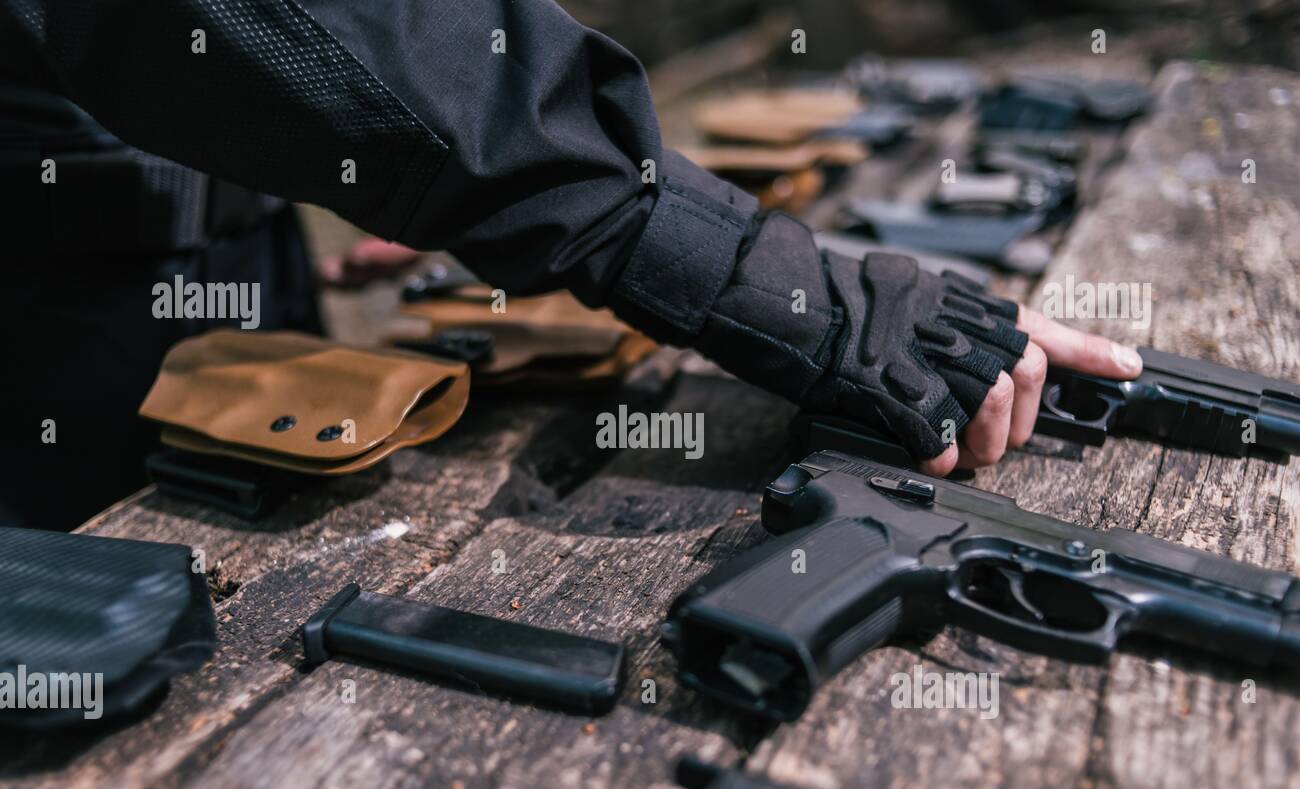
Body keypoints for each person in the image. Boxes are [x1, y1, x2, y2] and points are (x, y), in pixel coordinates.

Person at [0, 0, 1140, 529]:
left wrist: (381, 159)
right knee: (97, 655)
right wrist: (781, 287)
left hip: (217, 248)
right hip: (49, 324)